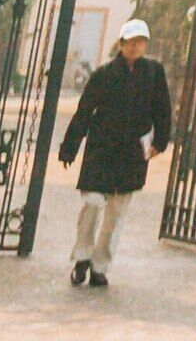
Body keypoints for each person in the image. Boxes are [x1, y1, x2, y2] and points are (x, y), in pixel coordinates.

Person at [56, 18, 170, 286]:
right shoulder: (104, 75)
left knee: (116, 214)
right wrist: (70, 147)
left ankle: (100, 266)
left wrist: (160, 141)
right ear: (121, 44)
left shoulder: (153, 73)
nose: (135, 47)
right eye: (130, 42)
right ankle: (82, 255)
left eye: (140, 42)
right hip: (102, 150)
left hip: (132, 153)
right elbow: (84, 112)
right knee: (94, 203)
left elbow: (162, 109)